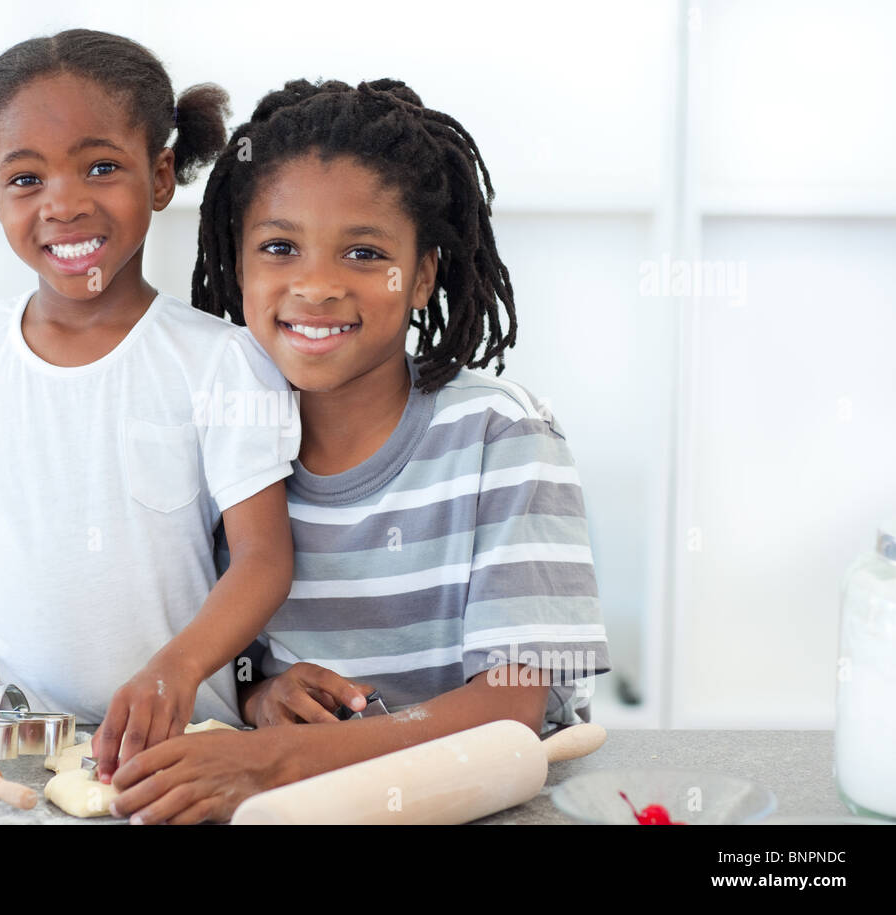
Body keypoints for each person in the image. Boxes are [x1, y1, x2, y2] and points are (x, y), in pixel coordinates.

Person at [109, 78, 612, 823]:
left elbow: (514, 709)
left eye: (363, 252)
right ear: (236, 262)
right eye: (280, 247)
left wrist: (279, 758)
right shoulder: (220, 434)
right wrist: (260, 694)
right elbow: (238, 653)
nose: (316, 285)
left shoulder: (504, 436)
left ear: (424, 274)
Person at [0, 30, 299, 781]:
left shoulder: (220, 361)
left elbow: (265, 558)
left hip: (182, 745)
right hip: (20, 746)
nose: (65, 204)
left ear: (160, 174)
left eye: (101, 167)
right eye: (25, 179)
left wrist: (172, 671)